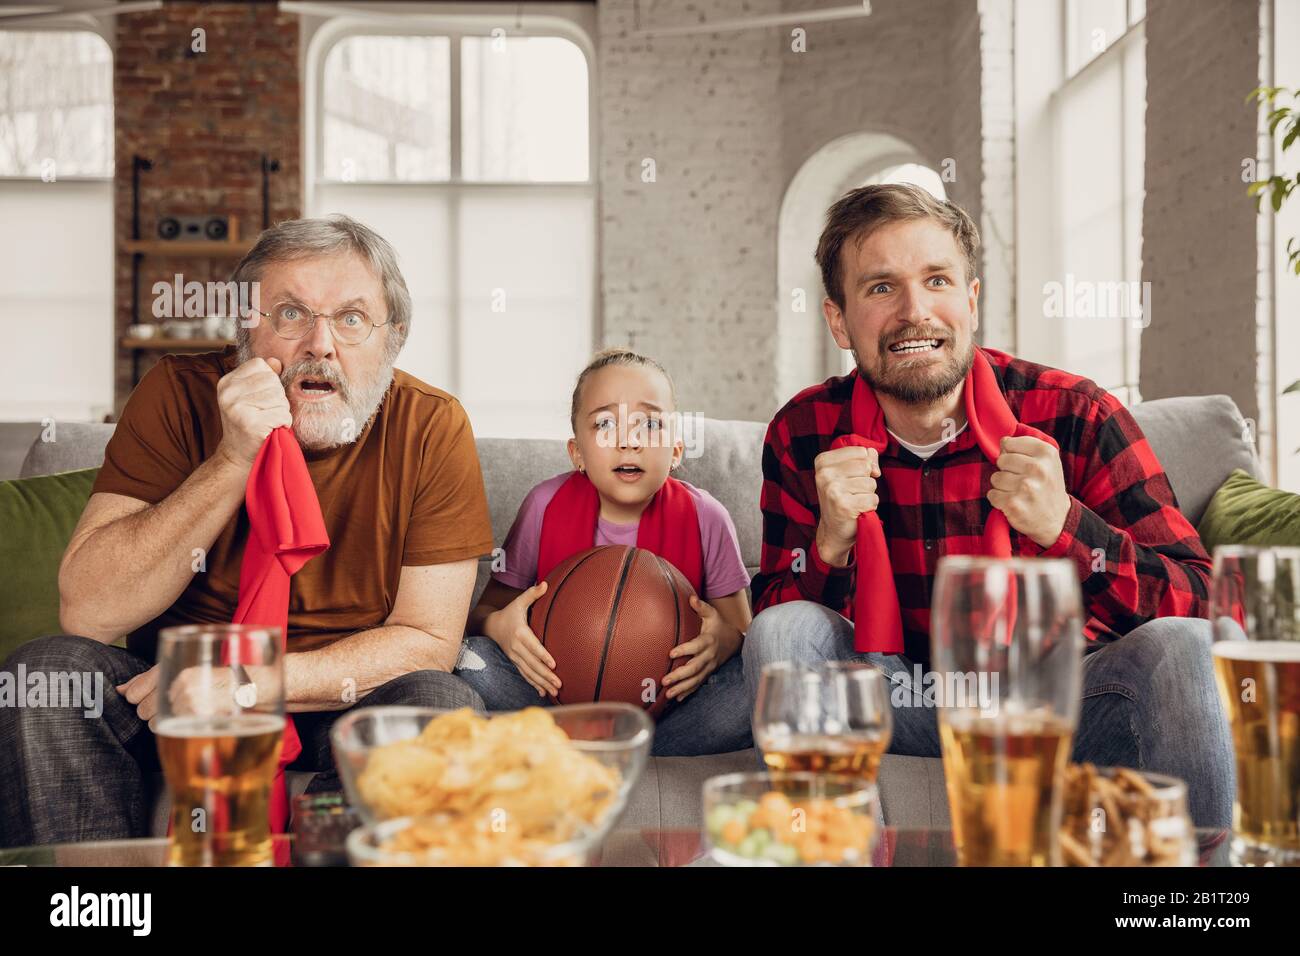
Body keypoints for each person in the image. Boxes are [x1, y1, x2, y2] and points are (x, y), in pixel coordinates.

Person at [745, 184, 1233, 827]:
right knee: (783, 629)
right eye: (881, 287)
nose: (915, 312)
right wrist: (830, 545)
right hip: (891, 698)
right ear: (838, 319)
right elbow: (773, 632)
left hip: (1056, 699)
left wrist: (1068, 528)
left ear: (970, 301)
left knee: (1184, 645)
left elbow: (1205, 603)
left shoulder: (1075, 413)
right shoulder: (803, 432)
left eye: (937, 280)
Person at [0, 215, 494, 847]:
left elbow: (427, 641)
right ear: (244, 331)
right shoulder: (177, 394)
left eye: (351, 318)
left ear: (393, 338)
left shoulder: (434, 427)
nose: (320, 344)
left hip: (335, 701)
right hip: (167, 692)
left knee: (441, 709)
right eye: (289, 314)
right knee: (47, 675)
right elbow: (91, 611)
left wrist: (244, 684)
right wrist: (232, 459)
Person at [456, 348, 754, 756]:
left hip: (672, 707)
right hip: (557, 698)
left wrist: (722, 641)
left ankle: (595, 747)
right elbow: (482, 617)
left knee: (754, 681)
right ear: (576, 452)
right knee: (469, 659)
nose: (627, 441)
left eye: (649, 423)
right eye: (604, 423)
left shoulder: (707, 516)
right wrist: (502, 629)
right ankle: (601, 742)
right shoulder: (544, 505)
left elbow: (742, 632)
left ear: (677, 450)